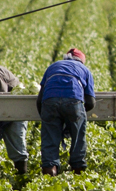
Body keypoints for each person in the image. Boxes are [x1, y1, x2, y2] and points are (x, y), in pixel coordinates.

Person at [37, 48, 95, 176]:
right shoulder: (84, 70)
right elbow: (91, 102)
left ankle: (50, 170)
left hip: (49, 101)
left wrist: (48, 118)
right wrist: (76, 115)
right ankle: (77, 169)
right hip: (73, 101)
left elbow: (39, 99)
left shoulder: (53, 67)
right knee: (78, 136)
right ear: (81, 61)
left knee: (49, 138)